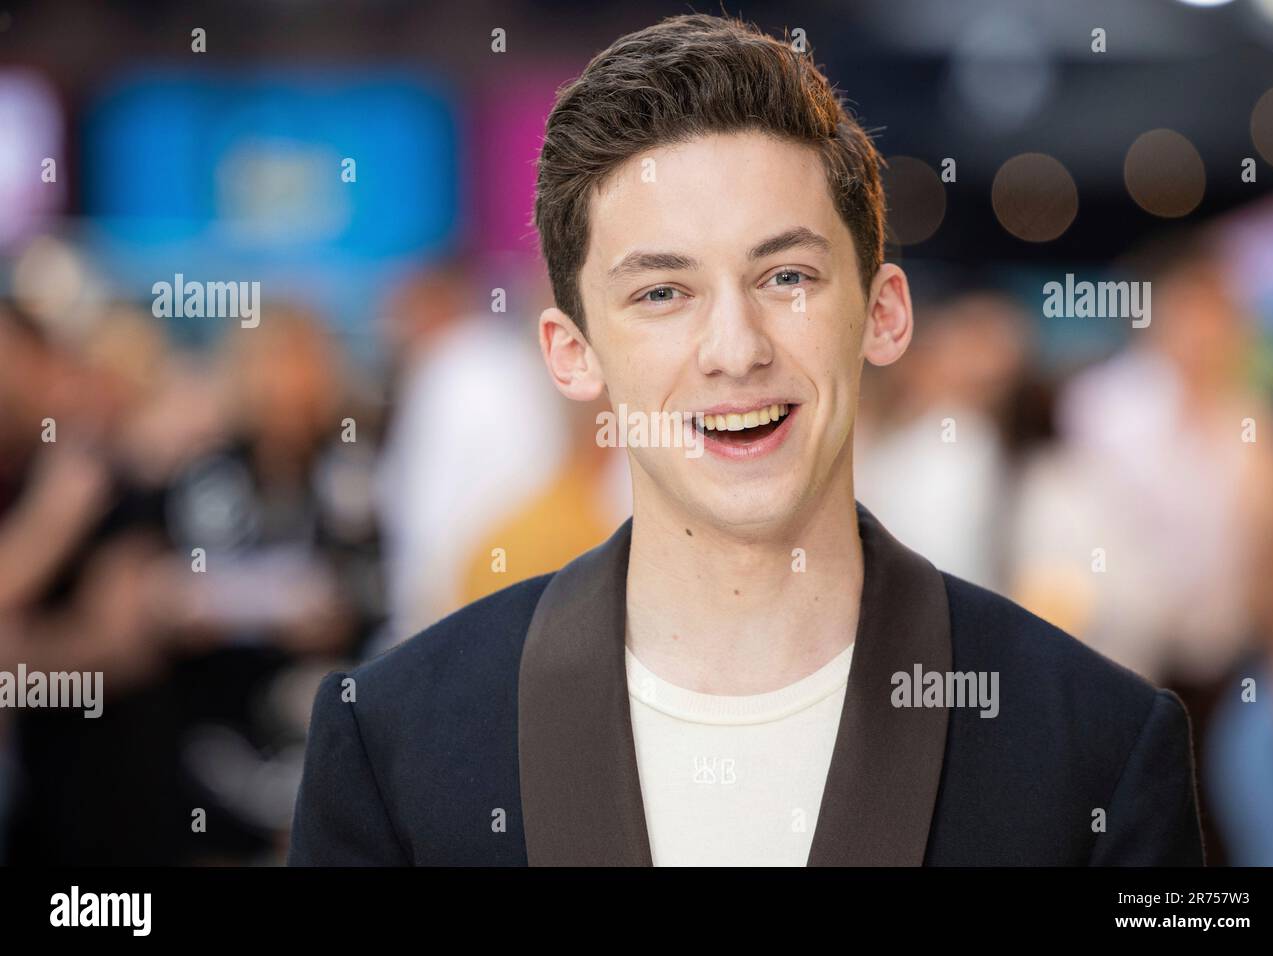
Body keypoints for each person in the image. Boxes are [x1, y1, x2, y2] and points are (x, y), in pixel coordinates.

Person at [288, 14, 1204, 866]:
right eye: (661, 293)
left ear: (883, 315)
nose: (735, 350)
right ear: (573, 357)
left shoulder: (1095, 746)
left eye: (787, 276)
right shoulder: (397, 744)